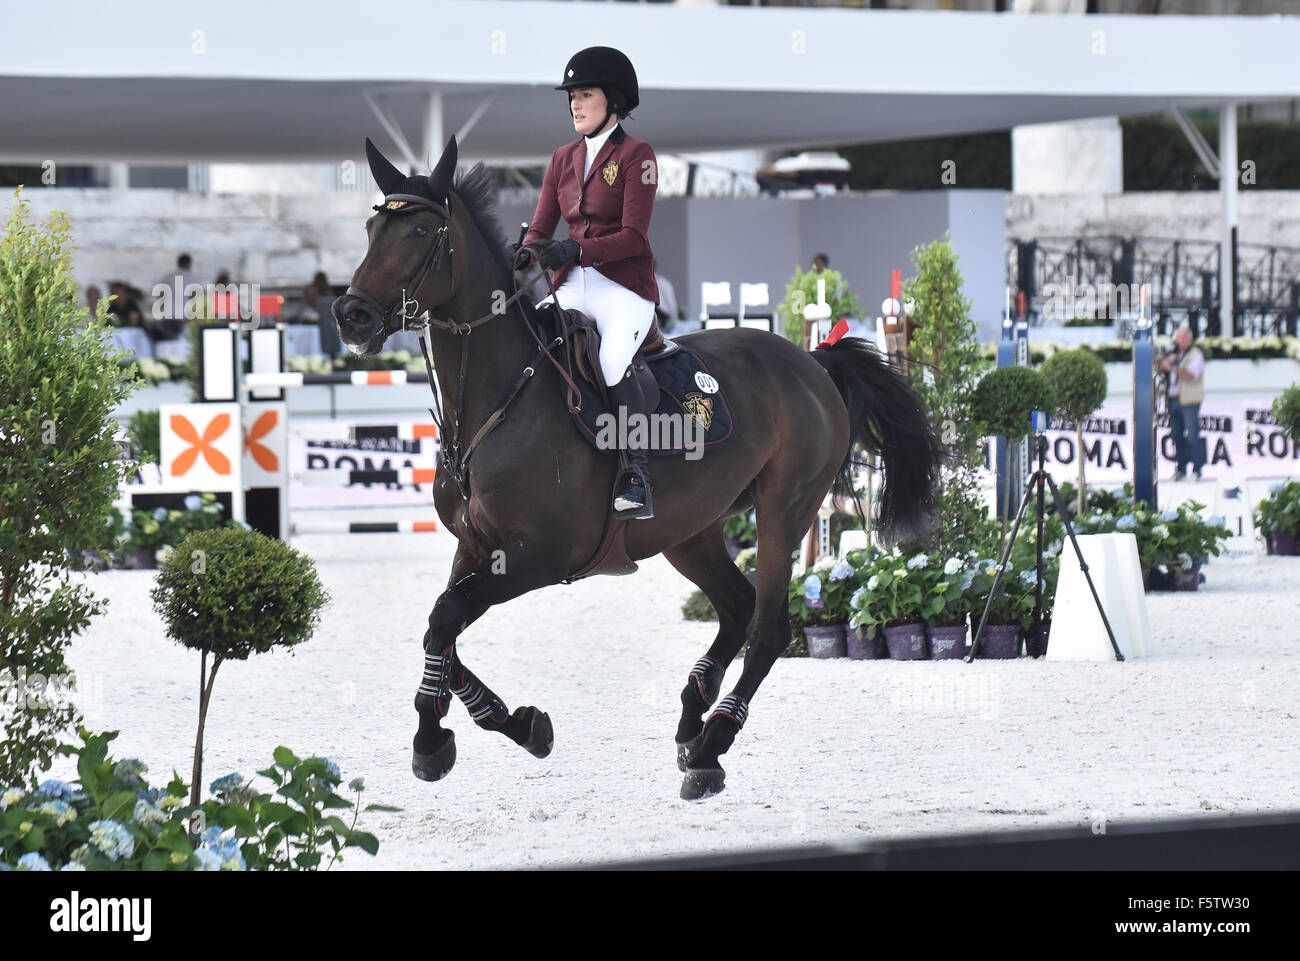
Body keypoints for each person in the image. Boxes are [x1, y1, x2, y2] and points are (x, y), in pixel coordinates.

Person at [517, 46, 660, 520]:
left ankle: (636, 473)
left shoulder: (638, 156)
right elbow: (540, 230)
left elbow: (634, 237)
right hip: (573, 283)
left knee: (612, 359)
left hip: (624, 287)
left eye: (585, 95)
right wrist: (523, 253)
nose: (576, 104)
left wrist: (576, 250)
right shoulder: (562, 158)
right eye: (572, 97)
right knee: (528, 342)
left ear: (613, 102)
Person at [1160, 325, 1206, 480]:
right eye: (1178, 338)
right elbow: (1161, 368)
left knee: (1193, 435)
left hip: (1189, 400)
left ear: (1190, 339)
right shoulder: (1175, 356)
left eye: (1183, 338)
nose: (1180, 341)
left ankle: (1197, 469)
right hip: (1174, 399)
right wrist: (1163, 361)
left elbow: (1191, 375)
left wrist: (1172, 367)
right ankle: (1181, 468)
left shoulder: (1196, 355)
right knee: (1176, 435)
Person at [652, 257, 682, 335]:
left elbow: (672, 306)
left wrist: (673, 323)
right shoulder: (664, 282)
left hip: (662, 318)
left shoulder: (662, 282)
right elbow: (672, 306)